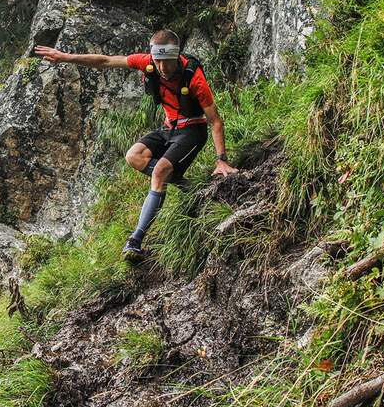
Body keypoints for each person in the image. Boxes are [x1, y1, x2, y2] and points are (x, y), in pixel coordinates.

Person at [34, 29, 238, 260]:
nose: (161, 68)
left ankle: (135, 240)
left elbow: (215, 121)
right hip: (168, 127)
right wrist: (65, 56)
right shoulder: (147, 62)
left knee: (159, 171)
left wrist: (221, 160)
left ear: (176, 56)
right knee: (134, 156)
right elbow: (107, 60)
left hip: (192, 130)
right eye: (158, 61)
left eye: (167, 62)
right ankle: (190, 187)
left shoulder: (194, 77)